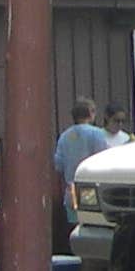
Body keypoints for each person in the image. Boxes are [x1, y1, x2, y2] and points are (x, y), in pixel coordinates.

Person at [52, 99, 113, 252]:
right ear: (90, 113)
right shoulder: (97, 134)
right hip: (91, 189)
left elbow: (58, 164)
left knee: (75, 228)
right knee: (92, 227)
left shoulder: (65, 136)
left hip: (71, 189)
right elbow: (103, 160)